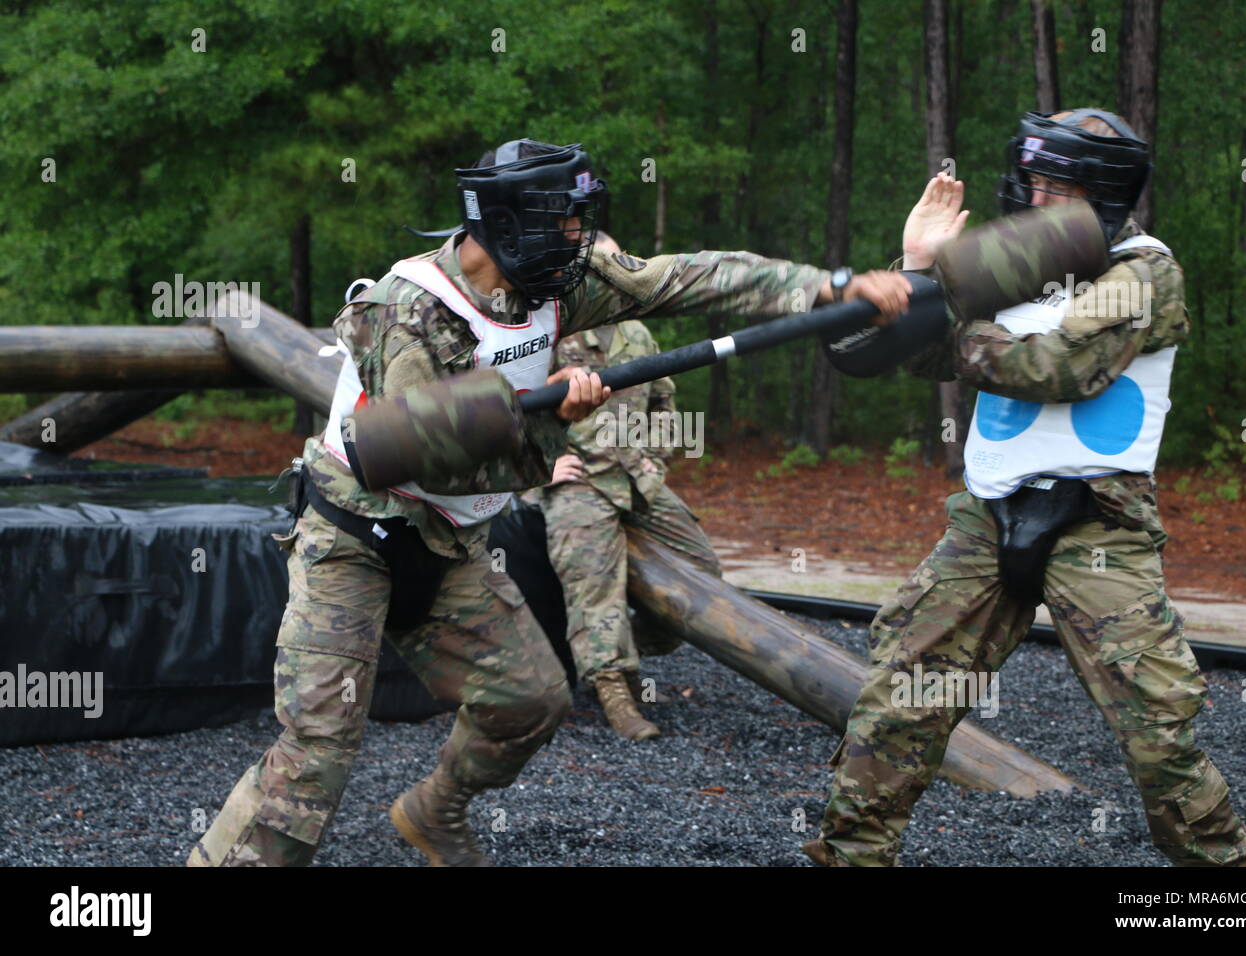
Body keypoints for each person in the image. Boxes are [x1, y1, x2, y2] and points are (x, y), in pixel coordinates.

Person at [188, 137, 912, 867]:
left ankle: (433, 813)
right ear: (503, 223)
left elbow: (683, 279)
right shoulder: (406, 309)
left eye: (580, 220)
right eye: (564, 223)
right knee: (318, 746)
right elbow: (425, 455)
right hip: (356, 537)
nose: (581, 239)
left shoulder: (553, 283)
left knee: (529, 700)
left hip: (452, 548)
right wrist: (548, 420)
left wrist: (829, 287)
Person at [803, 109, 1246, 867]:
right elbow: (907, 358)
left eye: (1059, 186)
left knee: (1157, 732)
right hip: (987, 515)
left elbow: (1056, 369)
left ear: (1100, 195)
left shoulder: (1144, 270)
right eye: (1035, 181)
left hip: (1098, 524)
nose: (1038, 199)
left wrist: (955, 319)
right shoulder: (1011, 264)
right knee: (900, 698)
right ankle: (850, 856)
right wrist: (915, 268)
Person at [528, 231, 723, 740]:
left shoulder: (638, 332)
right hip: (579, 478)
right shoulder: (546, 330)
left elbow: (663, 399)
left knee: (702, 572)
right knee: (593, 580)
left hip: (636, 477)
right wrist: (540, 467)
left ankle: (606, 645)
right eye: (598, 264)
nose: (611, 272)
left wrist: (656, 458)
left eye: (617, 263)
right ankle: (615, 689)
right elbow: (509, 407)